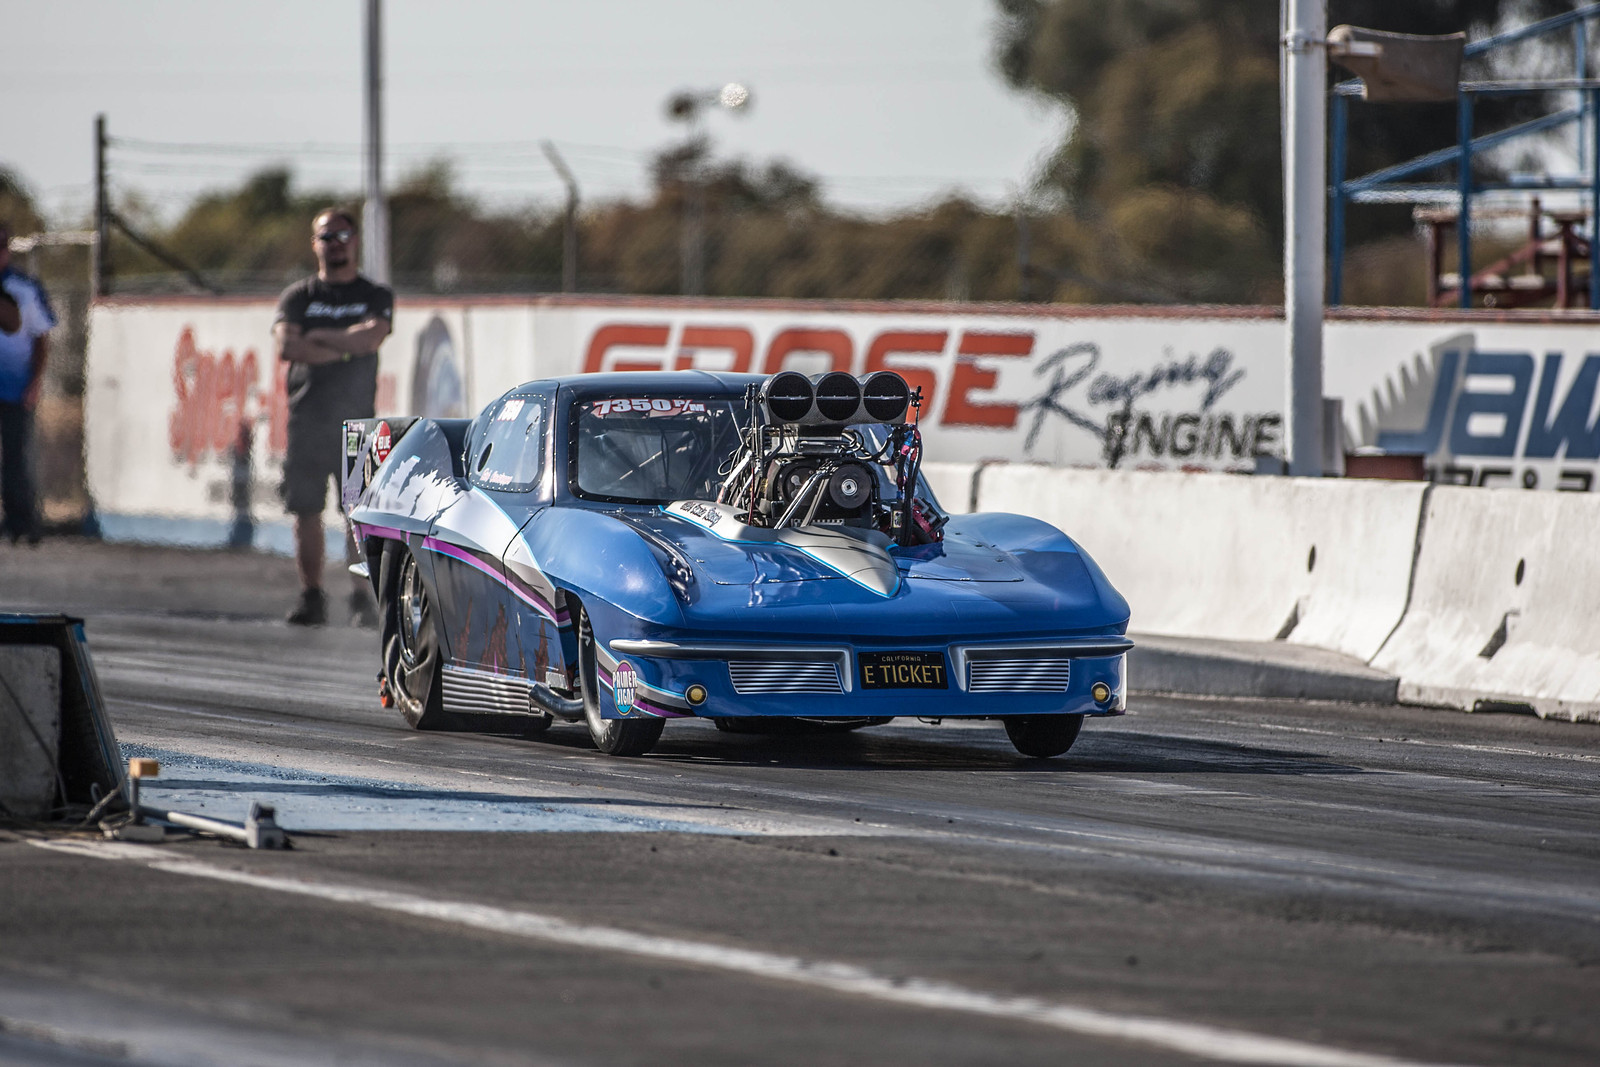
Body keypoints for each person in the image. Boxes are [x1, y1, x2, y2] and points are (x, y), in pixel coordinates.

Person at [273, 208, 392, 626]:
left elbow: (372, 336)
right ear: (315, 244)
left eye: (342, 235)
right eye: (326, 237)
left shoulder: (375, 295)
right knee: (305, 511)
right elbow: (289, 346)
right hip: (307, 418)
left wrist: (324, 341)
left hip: (358, 422)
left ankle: (361, 597)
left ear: (355, 240)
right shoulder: (298, 297)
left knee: (359, 513)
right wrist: (347, 345)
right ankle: (312, 594)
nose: (335, 244)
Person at [0, 221, 56, 546]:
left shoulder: (24, 288)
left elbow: (40, 338)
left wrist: (35, 382)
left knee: (15, 460)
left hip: (14, 386)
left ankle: (22, 522)